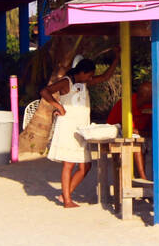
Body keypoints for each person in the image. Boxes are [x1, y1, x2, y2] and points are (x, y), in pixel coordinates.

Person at [43, 53, 118, 207]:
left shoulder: (84, 84)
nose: (91, 78)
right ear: (82, 72)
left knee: (86, 166)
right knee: (69, 165)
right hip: (67, 128)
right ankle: (67, 200)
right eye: (89, 75)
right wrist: (58, 106)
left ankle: (65, 195)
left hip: (82, 130)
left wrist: (116, 57)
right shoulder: (66, 82)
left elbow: (105, 77)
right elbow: (45, 91)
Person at [106, 78, 152, 181]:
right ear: (145, 95)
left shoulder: (152, 105)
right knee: (135, 142)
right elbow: (111, 125)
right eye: (152, 94)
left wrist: (139, 131)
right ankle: (143, 178)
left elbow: (151, 129)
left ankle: (148, 178)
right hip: (122, 135)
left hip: (143, 134)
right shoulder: (125, 103)